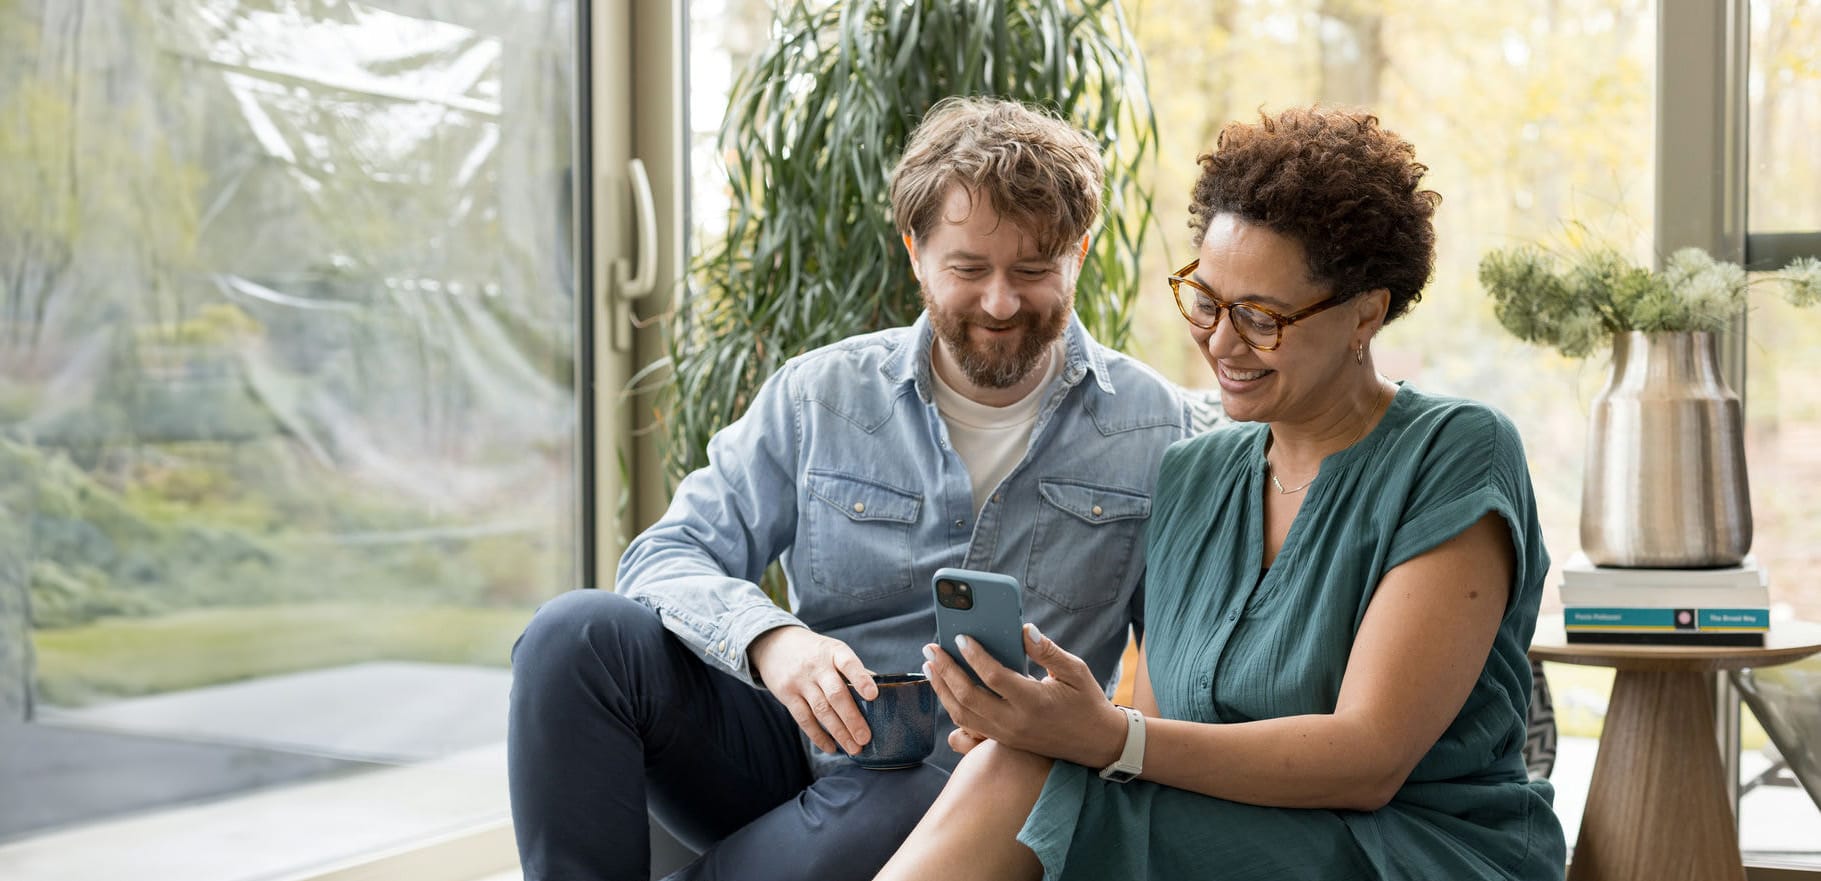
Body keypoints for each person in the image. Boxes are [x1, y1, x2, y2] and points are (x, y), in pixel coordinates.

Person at [506, 96, 1190, 881]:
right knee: (576, 633)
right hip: (786, 750)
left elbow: (1182, 665)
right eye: (967, 268)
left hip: (971, 799)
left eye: (1033, 270)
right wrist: (773, 641)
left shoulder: (1158, 430)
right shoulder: (818, 394)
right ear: (914, 252)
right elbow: (667, 552)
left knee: (920, 794)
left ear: (1080, 252)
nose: (1000, 302)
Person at [874, 107, 1567, 881]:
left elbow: (1367, 760)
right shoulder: (1193, 474)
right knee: (1014, 765)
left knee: (1022, 782)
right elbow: (1166, 750)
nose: (1220, 341)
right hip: (1241, 837)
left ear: (1365, 312)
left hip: (1418, 846)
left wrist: (1104, 735)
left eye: (1260, 317)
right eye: (1205, 301)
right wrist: (1052, 729)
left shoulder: (1454, 451)